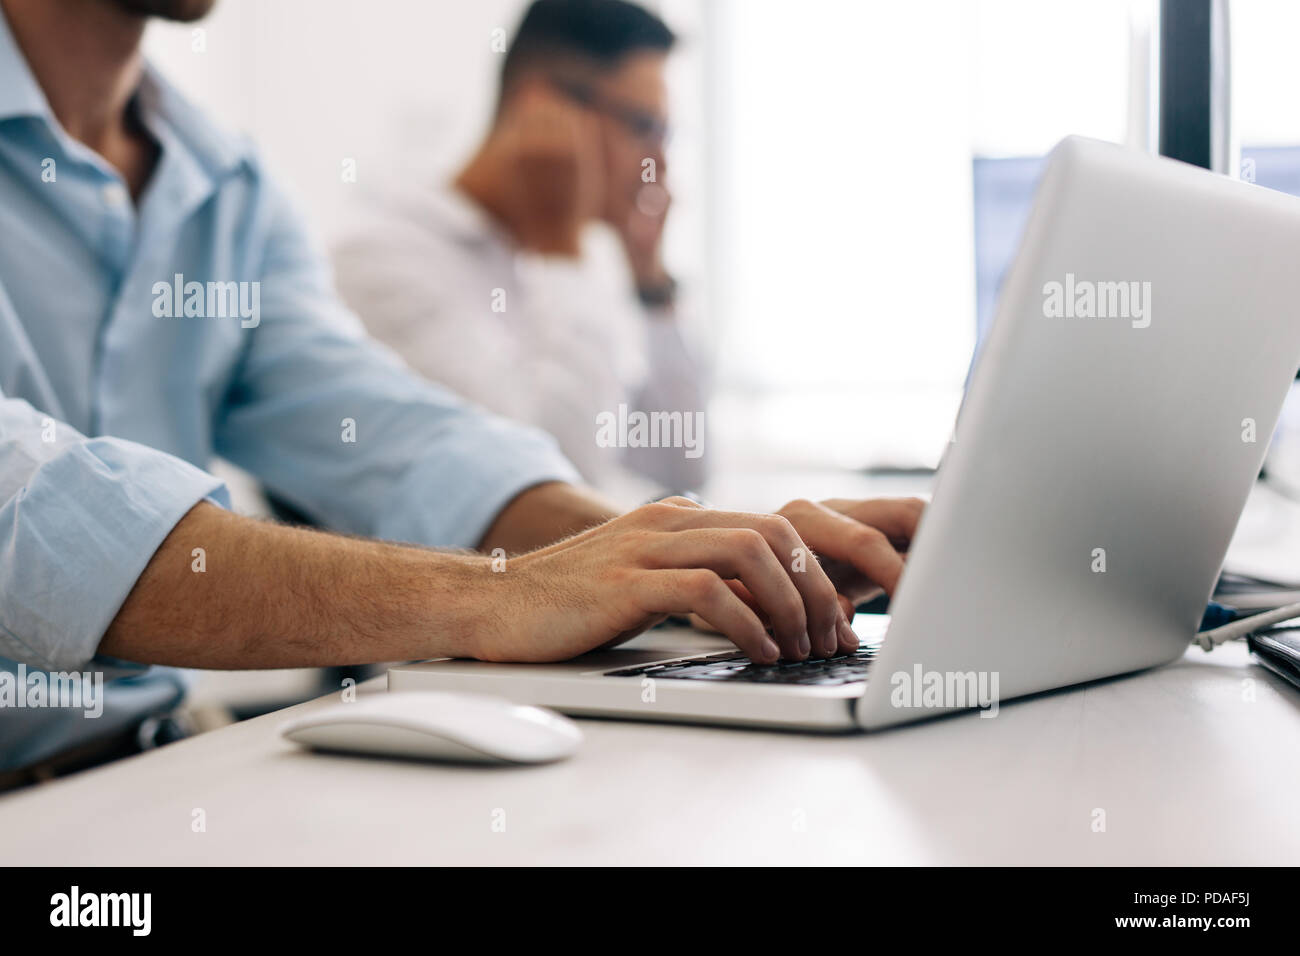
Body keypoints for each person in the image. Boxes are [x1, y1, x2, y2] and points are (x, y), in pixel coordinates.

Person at [0, 0, 922, 782]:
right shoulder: (397, 246)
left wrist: (692, 561)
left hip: (146, 767)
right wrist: (499, 592)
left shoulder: (226, 187)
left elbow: (405, 438)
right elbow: (30, 512)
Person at [333, 0, 703, 495]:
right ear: (544, 111)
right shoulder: (385, 265)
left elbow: (680, 475)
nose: (659, 160)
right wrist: (558, 248)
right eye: (642, 128)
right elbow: (558, 489)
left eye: (667, 133)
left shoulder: (583, 264)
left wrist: (650, 283)